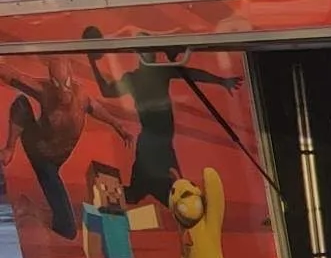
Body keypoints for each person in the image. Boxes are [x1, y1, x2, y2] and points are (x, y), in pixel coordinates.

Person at [81, 39, 242, 210]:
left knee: (142, 194)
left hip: (155, 142)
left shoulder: (160, 72)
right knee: (176, 197)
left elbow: (192, 73)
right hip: (154, 143)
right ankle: (99, 186)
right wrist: (92, 62)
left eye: (153, 52)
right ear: (140, 55)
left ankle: (100, 185)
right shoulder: (134, 78)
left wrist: (221, 81)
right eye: (149, 52)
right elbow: (107, 90)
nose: (153, 56)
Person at [1, 57, 135, 240]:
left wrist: (118, 125)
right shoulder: (44, 91)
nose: (63, 92)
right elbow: (14, 76)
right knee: (67, 229)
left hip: (58, 158)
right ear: (52, 83)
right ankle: (29, 206)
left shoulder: (81, 97)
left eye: (66, 84)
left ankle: (32, 207)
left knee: (65, 223)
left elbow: (95, 108)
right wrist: (10, 147)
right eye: (58, 86)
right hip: (41, 153)